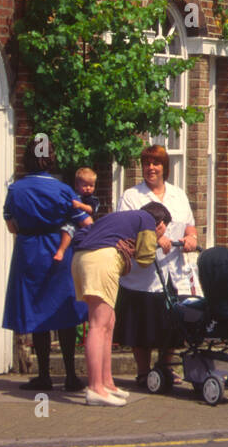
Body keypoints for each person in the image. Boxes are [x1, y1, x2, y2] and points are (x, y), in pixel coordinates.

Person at [2, 147, 90, 392]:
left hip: (29, 252)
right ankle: (71, 376)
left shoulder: (15, 190)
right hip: (59, 253)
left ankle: (43, 376)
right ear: (51, 160)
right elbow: (84, 221)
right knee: (64, 312)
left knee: (37, 314)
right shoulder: (63, 190)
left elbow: (11, 225)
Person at [115, 145, 198, 388]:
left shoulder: (179, 195)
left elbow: (189, 225)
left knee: (171, 325)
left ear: (164, 167)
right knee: (141, 326)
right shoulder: (132, 196)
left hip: (174, 271)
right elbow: (125, 231)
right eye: (147, 163)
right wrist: (152, 236)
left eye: (156, 163)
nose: (151, 168)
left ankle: (164, 369)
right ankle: (143, 373)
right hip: (143, 274)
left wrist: (191, 238)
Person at [70, 203, 169, 406]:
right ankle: (95, 388)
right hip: (102, 260)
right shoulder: (148, 220)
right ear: (160, 223)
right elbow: (145, 258)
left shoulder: (115, 218)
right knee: (99, 325)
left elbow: (80, 235)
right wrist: (156, 238)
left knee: (109, 322)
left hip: (81, 259)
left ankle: (107, 383)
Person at [53, 166, 100, 263]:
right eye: (85, 185)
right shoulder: (74, 195)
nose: (88, 188)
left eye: (91, 186)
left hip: (82, 225)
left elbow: (91, 210)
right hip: (72, 221)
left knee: (68, 229)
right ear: (77, 185)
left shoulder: (93, 199)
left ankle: (61, 251)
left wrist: (80, 205)